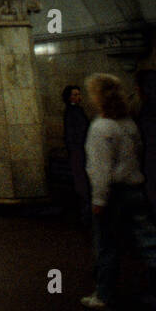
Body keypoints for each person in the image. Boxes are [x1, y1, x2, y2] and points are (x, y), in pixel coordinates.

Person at [80, 73, 156, 311]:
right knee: (152, 247)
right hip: (135, 191)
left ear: (97, 96)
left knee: (106, 247)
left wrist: (99, 200)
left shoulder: (101, 127)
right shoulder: (128, 123)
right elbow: (139, 155)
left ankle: (103, 295)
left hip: (113, 196)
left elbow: (100, 169)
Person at [62, 84, 90, 223]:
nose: (78, 97)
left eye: (79, 94)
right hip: (78, 151)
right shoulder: (72, 112)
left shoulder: (76, 111)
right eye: (75, 94)